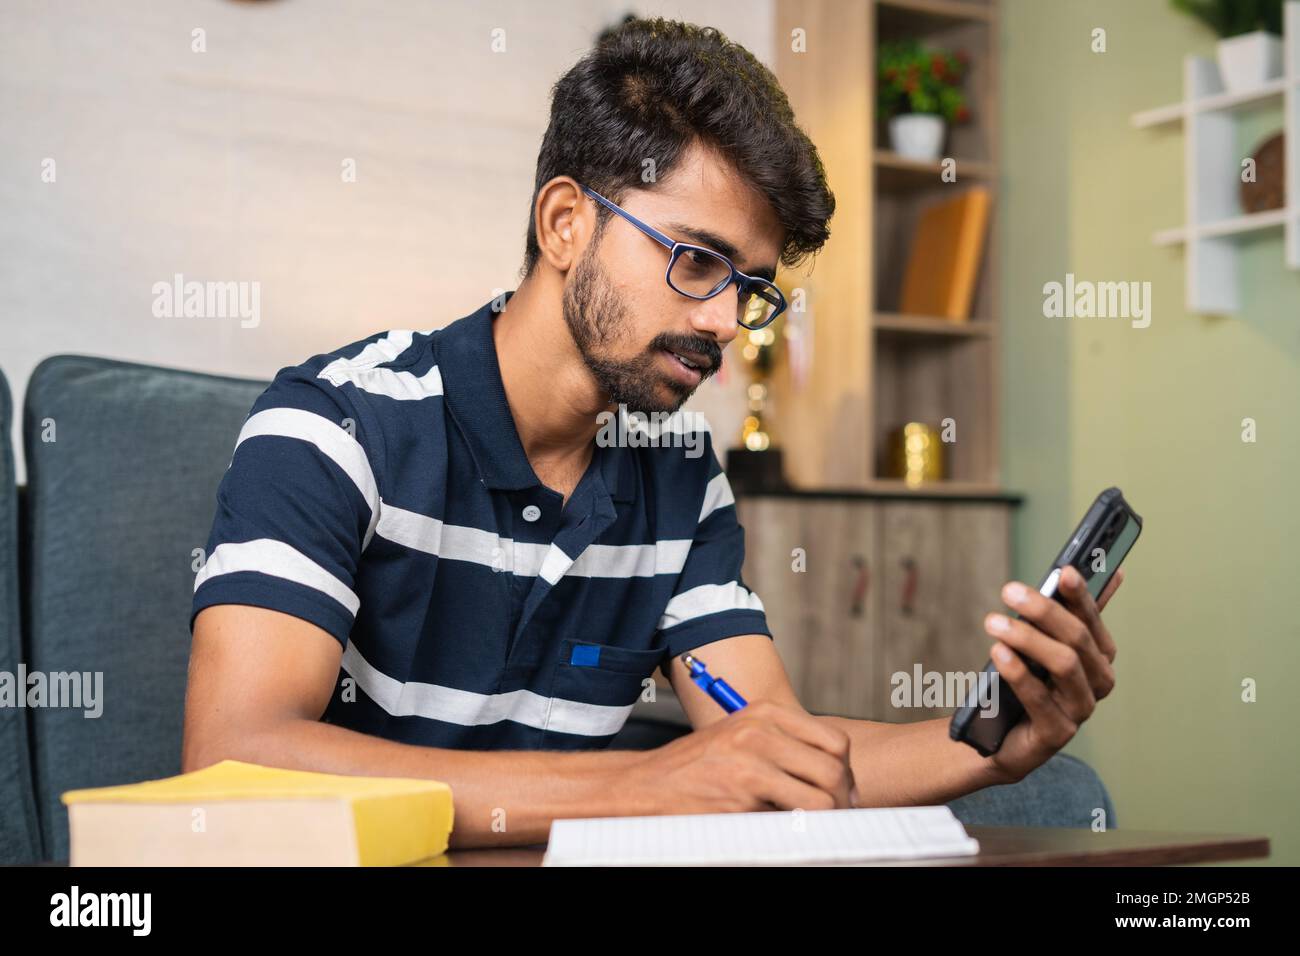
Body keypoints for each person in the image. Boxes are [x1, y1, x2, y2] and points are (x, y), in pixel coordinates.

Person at [183, 17, 1123, 848]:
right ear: (563, 222)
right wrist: (646, 781)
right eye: (697, 260)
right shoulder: (335, 423)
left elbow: (778, 751)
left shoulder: (679, 472)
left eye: (748, 288)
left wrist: (991, 746)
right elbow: (233, 760)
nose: (724, 322)